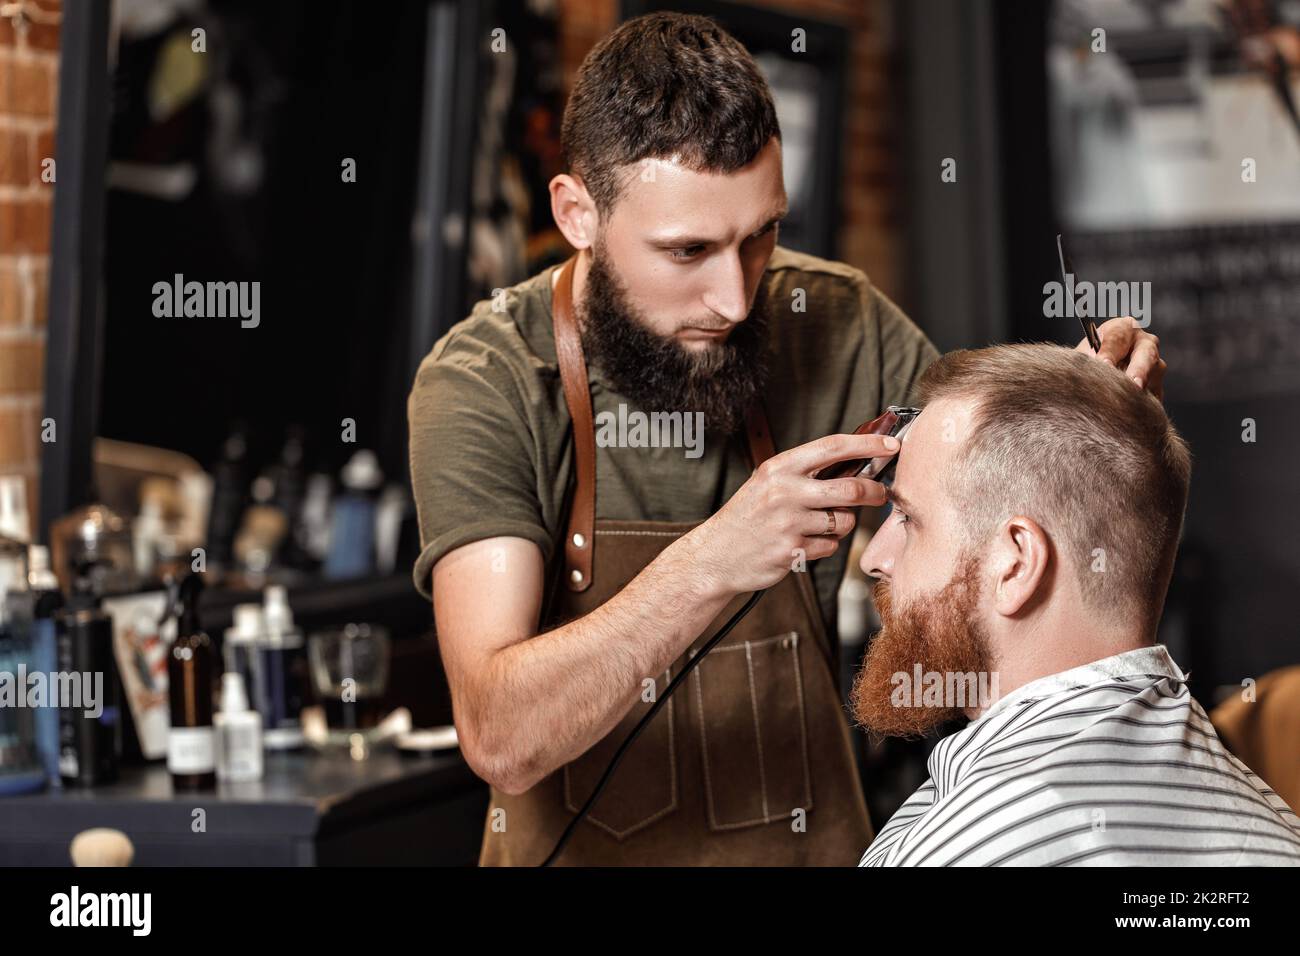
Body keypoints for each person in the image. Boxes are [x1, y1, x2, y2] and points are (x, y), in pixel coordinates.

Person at [408, 12, 1165, 866]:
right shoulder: (486, 382)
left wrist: (1085, 406)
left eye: (761, 235)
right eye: (688, 249)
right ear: (577, 213)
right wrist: (718, 557)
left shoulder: (838, 322)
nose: (734, 299)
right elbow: (501, 735)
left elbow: (999, 499)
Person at [854, 343, 1300, 866]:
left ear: (1016, 564)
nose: (875, 558)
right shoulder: (1274, 832)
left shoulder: (968, 852)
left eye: (908, 519)